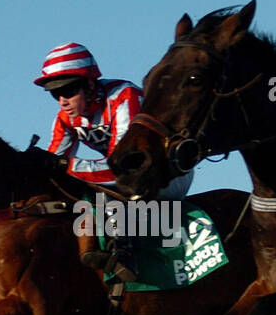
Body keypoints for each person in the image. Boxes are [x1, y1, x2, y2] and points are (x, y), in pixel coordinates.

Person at [35, 43, 192, 281]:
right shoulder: (65, 118)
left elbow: (128, 169)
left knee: (119, 188)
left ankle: (125, 257)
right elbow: (54, 163)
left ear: (89, 84)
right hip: (123, 176)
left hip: (163, 174)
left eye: (68, 91)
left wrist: (64, 166)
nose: (62, 101)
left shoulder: (124, 97)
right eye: (55, 94)